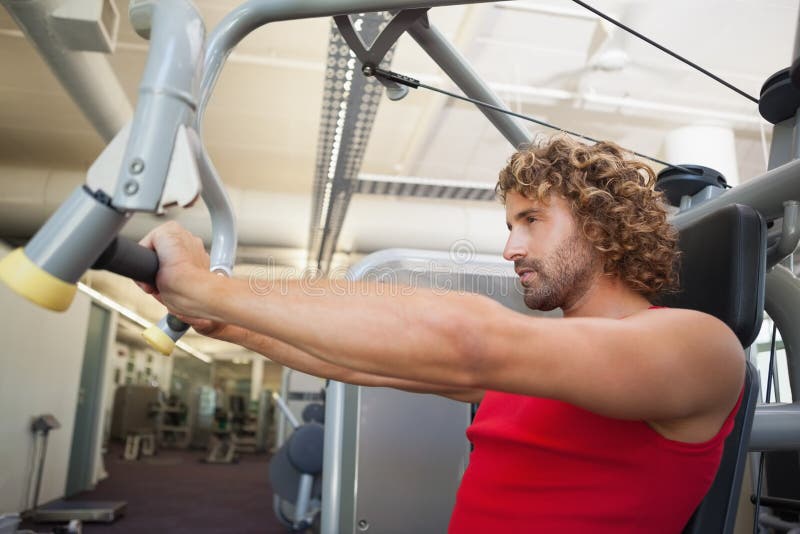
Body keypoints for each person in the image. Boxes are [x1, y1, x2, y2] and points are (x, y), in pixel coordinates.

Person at [138, 135, 745, 532]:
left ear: (601, 224)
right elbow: (360, 366)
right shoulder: (537, 365)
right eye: (509, 226)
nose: (510, 248)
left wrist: (209, 287)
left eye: (531, 220)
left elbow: (469, 342)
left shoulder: (697, 346)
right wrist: (225, 322)